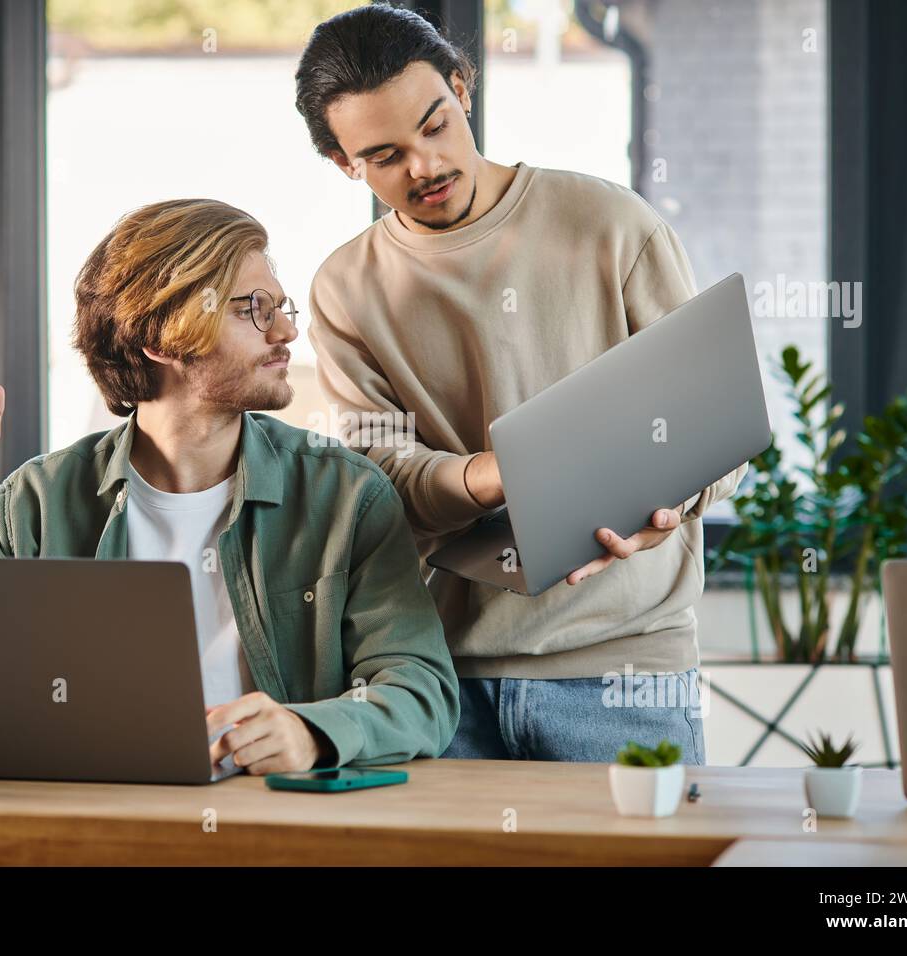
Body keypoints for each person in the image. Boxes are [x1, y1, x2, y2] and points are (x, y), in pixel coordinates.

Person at [296, 4, 747, 763]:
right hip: (437, 684)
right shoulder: (345, 288)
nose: (426, 167)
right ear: (346, 165)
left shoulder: (612, 226)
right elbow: (377, 478)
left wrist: (668, 504)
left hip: (625, 672)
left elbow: (717, 431)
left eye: (436, 125)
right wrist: (485, 477)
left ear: (462, 89)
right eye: (385, 155)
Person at [0, 198, 459, 775]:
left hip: (274, 824)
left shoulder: (345, 495)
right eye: (253, 310)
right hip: (92, 819)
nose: (287, 329)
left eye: (280, 306)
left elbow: (422, 691)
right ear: (161, 338)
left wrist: (313, 731)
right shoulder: (37, 502)